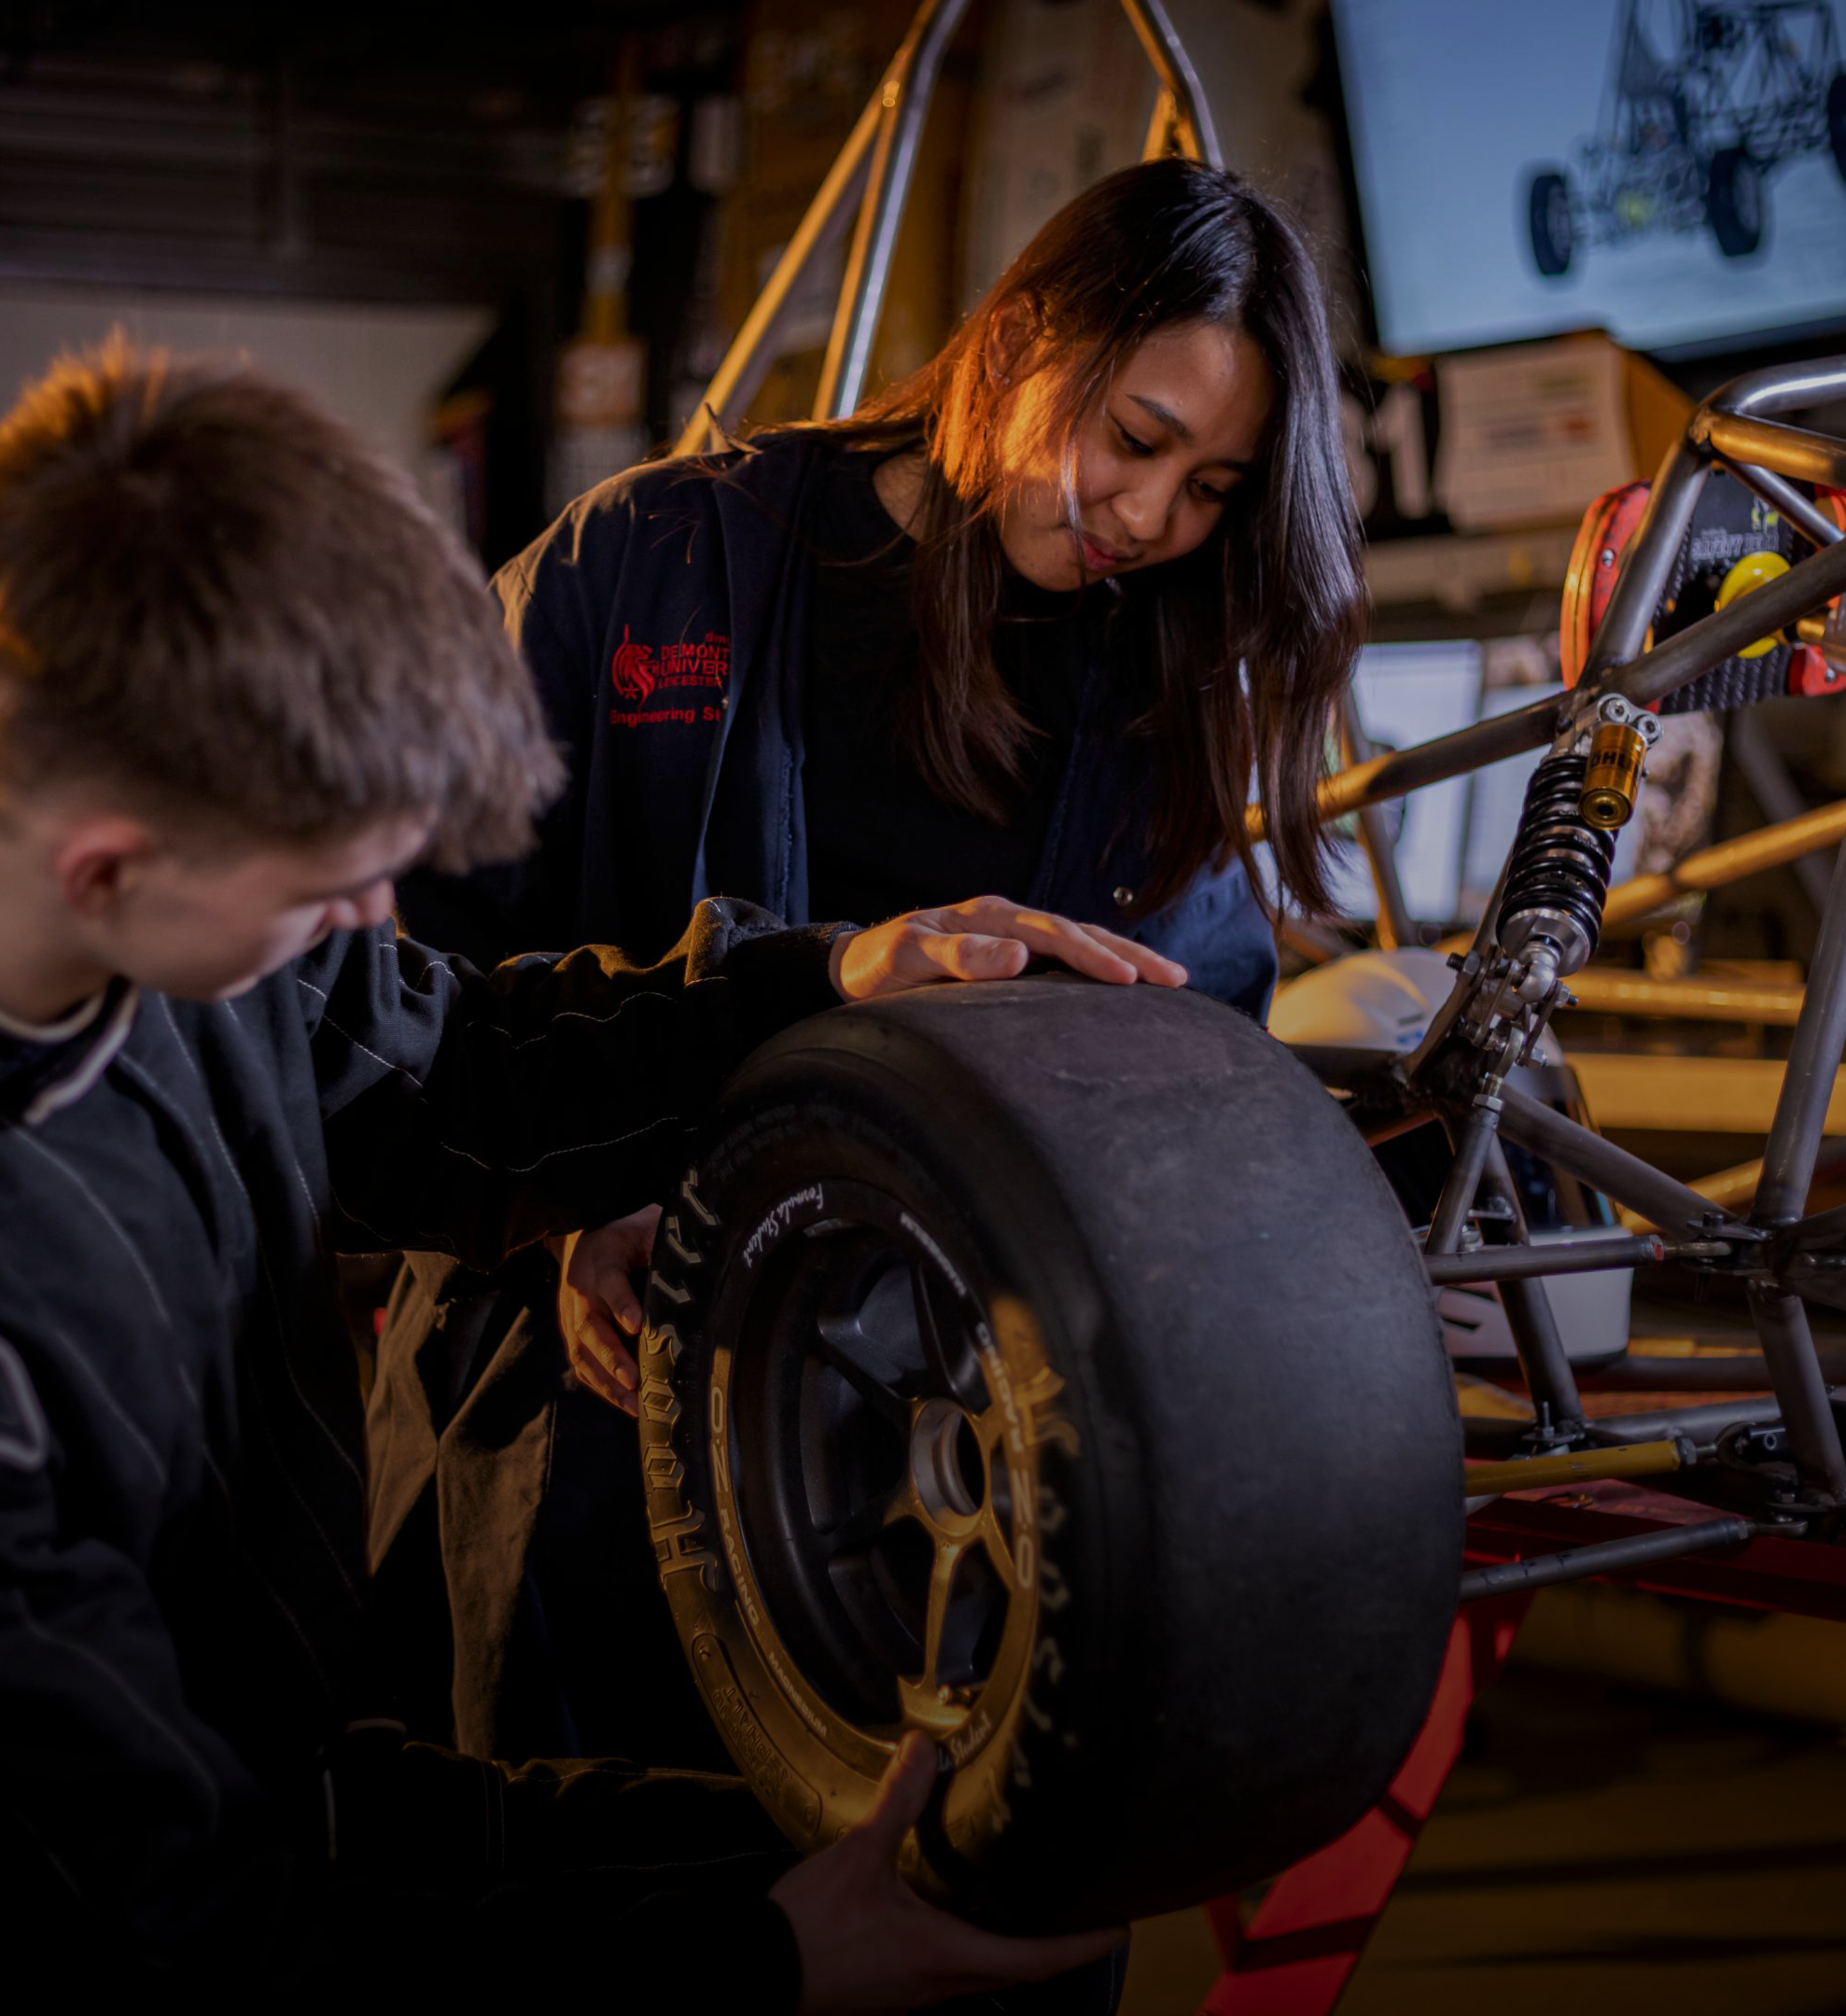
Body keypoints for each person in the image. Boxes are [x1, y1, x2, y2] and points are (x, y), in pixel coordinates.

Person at [0, 342, 1168, 2012]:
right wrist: (752, 1961)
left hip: (281, 1799)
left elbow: (444, 1079)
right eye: (329, 892)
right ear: (107, 863)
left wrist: (817, 984)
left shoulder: (127, 888)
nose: (365, 930)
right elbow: (183, 1956)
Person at [372, 157, 1367, 1766]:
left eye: (1213, 490)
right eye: (1136, 440)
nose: (1152, 518)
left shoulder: (1166, 675)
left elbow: (1192, 1063)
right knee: (594, 1875)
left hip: (951, 1435)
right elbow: (410, 969)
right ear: (1023, 330)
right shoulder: (652, 565)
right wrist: (579, 1204)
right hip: (603, 1404)